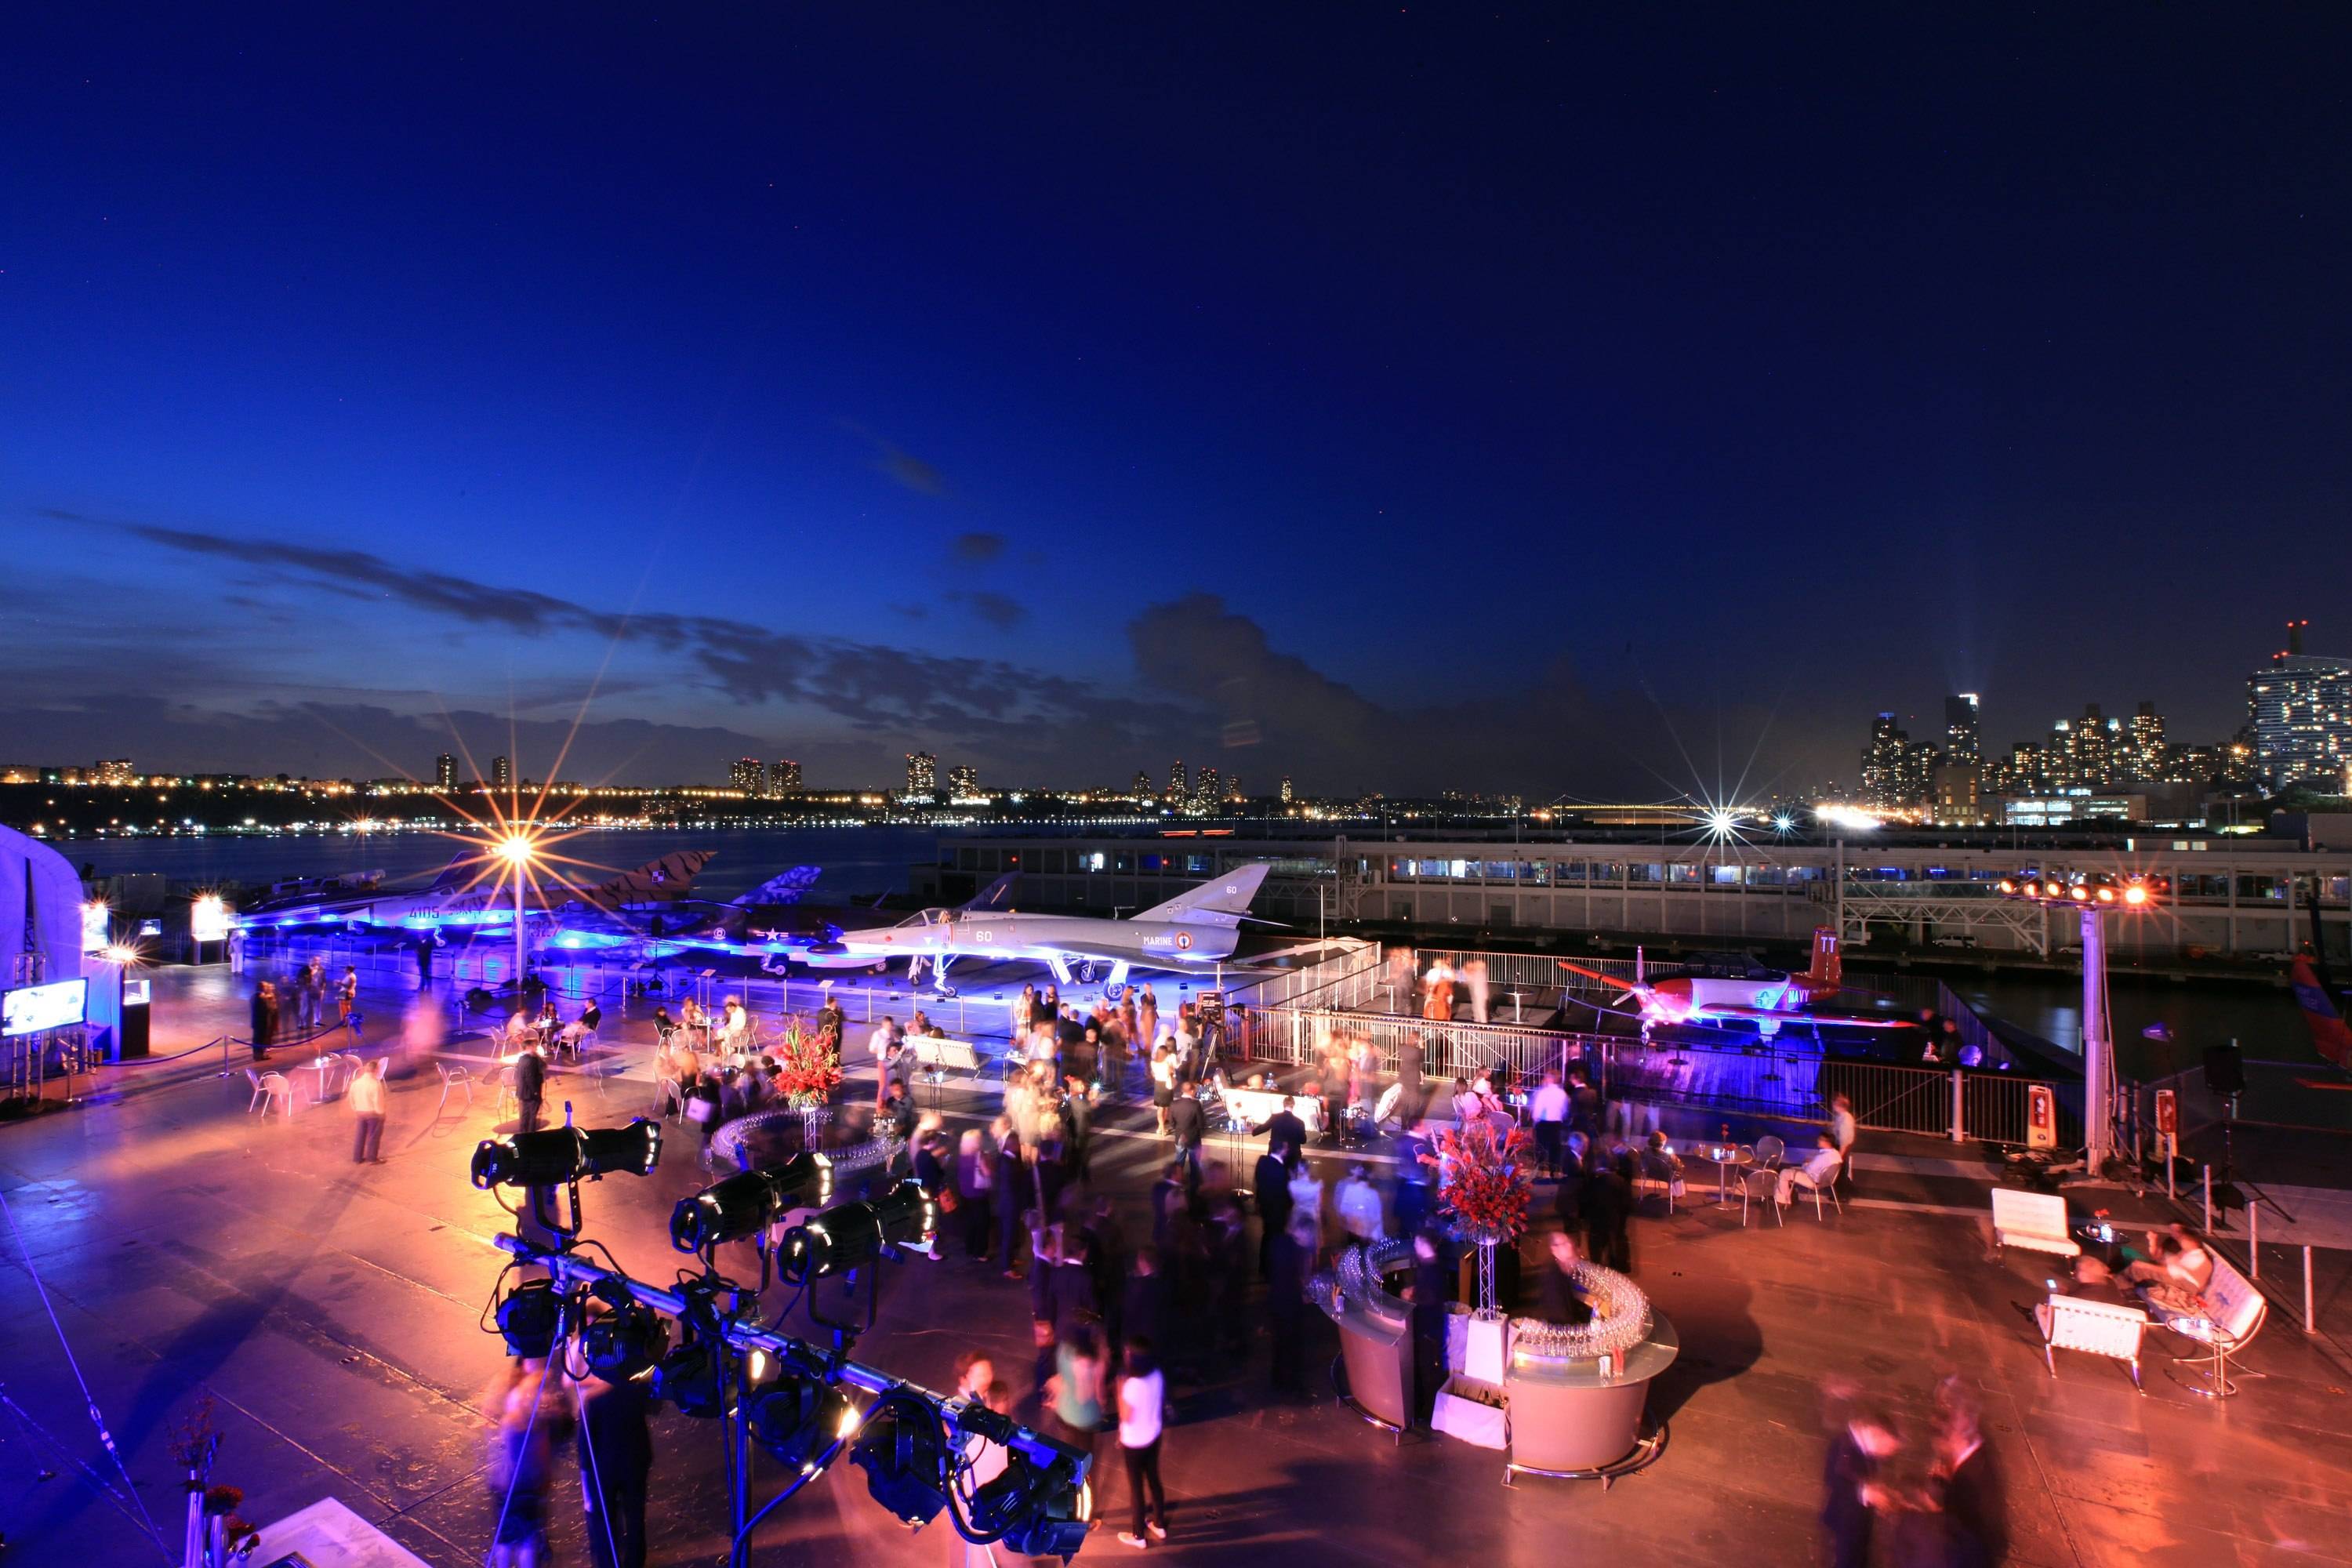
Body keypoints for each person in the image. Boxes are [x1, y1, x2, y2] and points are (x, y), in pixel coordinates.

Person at [566, 1320, 652, 1568]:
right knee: (635, 1517)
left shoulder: (595, 1399)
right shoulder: (636, 1391)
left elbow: (587, 1440)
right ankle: (635, 1562)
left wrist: (585, 1470)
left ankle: (607, 1562)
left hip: (603, 1469)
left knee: (605, 1520)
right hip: (635, 1463)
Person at [483, 1359, 564, 1568]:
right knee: (529, 1539)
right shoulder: (540, 1425)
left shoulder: (511, 1423)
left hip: (509, 1487)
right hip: (531, 1487)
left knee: (506, 1538)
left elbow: (499, 1445)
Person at [1821, 1406, 1901, 1568]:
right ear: (1876, 1434)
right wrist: (1865, 1494)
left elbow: (1862, 1479)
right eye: (1887, 1448)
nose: (1887, 1454)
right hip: (1844, 1523)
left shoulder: (1867, 1451)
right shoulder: (1842, 1446)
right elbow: (1833, 1481)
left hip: (1857, 1523)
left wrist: (1880, 1490)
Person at [1045, 1323, 1108, 1526]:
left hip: (1065, 1414)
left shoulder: (1064, 1351)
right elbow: (1089, 1396)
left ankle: (1065, 1512)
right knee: (1086, 1469)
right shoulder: (1092, 1361)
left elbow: (1061, 1380)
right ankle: (1087, 1517)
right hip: (1085, 1419)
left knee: (1065, 1465)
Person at [1114, 1338, 1170, 1548]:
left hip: (1134, 1443)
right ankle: (1159, 1524)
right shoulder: (1157, 1375)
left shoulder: (1132, 1385)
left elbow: (1126, 1416)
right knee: (1154, 1478)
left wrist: (1119, 1390)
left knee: (1136, 1488)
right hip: (1153, 1435)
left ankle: (1138, 1536)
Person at [1582, 1147, 1633, 1272]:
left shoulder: (1594, 1181)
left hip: (1596, 1220)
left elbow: (1586, 1200)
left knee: (1596, 1247)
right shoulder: (1620, 1181)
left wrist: (1584, 1217)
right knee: (1614, 1244)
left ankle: (1596, 1269)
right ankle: (1616, 1267)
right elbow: (1627, 1204)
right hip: (1614, 1220)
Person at [1253, 1147, 1294, 1278]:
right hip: (1277, 1210)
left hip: (1266, 1207)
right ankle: (1271, 1268)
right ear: (1281, 1150)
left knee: (1267, 1236)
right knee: (1275, 1238)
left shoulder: (1263, 1162)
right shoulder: (1281, 1170)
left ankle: (1263, 1267)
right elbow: (1285, 1194)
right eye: (1285, 1148)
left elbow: (1258, 1183)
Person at [1537, 1232, 1594, 1326]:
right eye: (1564, 1243)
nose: (1569, 1245)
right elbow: (1560, 1313)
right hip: (1564, 1327)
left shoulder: (1568, 1265)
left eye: (1568, 1242)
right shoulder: (1552, 1276)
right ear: (1554, 1249)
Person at [1776, 1132, 1844, 1207]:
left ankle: (1783, 1201)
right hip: (1827, 1181)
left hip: (1813, 1181)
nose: (1818, 1140)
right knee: (1791, 1171)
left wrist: (1806, 1163)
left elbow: (1809, 1170)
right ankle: (1786, 1196)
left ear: (1827, 1143)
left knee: (1784, 1173)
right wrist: (1811, 1162)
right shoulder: (1836, 1154)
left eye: (1821, 1139)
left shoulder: (1823, 1157)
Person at [1529, 1071, 1569, 1177]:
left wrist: (1534, 1122)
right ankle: (1554, 1173)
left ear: (1550, 1079)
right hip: (1557, 1124)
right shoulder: (1562, 1094)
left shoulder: (1543, 1093)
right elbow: (1565, 1111)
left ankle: (1540, 1172)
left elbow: (1538, 1110)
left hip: (1543, 1123)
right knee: (1555, 1149)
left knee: (1541, 1148)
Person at [349, 1057, 387, 1163]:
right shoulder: (375, 1084)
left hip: (360, 1112)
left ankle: (357, 1158)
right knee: (373, 1137)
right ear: (375, 1070)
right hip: (372, 1114)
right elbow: (378, 1101)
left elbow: (351, 1098)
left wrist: (355, 1108)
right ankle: (372, 1158)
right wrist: (381, 1114)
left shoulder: (356, 1083)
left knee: (360, 1136)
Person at [1336, 1163, 1383, 1243]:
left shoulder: (1349, 1189)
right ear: (1370, 1175)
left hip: (1353, 1233)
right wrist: (1366, 1232)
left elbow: (1343, 1210)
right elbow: (1376, 1218)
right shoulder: (1372, 1194)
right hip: (1369, 1236)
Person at [1167, 1083, 1205, 1178]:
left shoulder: (1174, 1104)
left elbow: (1171, 1122)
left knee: (1179, 1162)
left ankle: (1178, 1180)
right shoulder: (1196, 1105)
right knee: (1194, 1162)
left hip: (1179, 1136)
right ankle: (1194, 1183)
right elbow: (1201, 1123)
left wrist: (1179, 1129)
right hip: (1193, 1138)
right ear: (1192, 1091)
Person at [511, 1040, 547, 1134]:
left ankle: (523, 1134)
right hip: (531, 1093)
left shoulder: (521, 1059)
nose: (536, 1048)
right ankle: (531, 1135)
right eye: (534, 1046)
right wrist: (535, 1092)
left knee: (525, 1114)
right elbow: (530, 1078)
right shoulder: (531, 1060)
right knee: (532, 1115)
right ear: (528, 1047)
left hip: (523, 1092)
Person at [1264, 1095, 1307, 1166]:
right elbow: (1303, 1140)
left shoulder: (1275, 1117)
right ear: (1293, 1105)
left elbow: (1264, 1127)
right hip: (1293, 1155)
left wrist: (1253, 1131)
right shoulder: (1300, 1122)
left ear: (1283, 1104)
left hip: (1276, 1153)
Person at [250, 979, 277, 1059]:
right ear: (262, 988)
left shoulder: (254, 996)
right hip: (262, 1022)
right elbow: (268, 1009)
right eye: (266, 987)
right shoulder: (261, 997)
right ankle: (260, 1055)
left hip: (257, 1021)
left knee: (257, 1038)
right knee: (260, 1039)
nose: (267, 988)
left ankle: (258, 1054)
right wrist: (271, 1001)